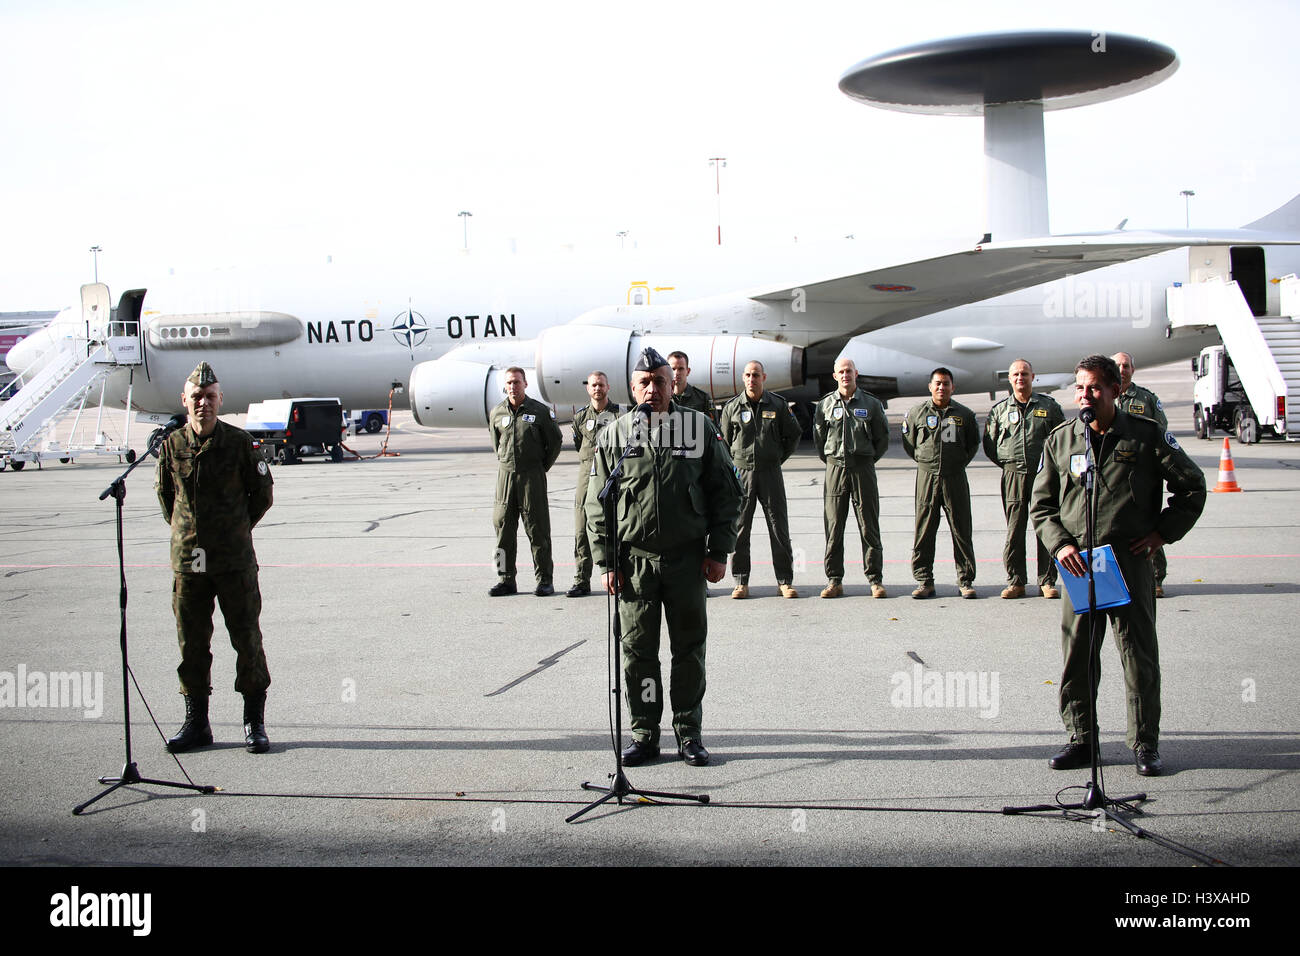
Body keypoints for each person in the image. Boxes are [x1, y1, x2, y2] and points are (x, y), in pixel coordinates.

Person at [1031, 354, 1205, 776]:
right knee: (1078, 656)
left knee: (1138, 654)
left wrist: (1162, 533)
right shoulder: (1061, 440)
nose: (1084, 396)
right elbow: (1041, 507)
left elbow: (1192, 487)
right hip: (1080, 567)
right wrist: (1060, 546)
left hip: (1128, 563)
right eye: (1079, 388)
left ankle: (1145, 743)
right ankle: (1081, 740)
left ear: (1115, 390)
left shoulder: (1146, 436)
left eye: (1093, 388)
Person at [586, 347, 743, 766]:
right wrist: (606, 562)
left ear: (673, 384)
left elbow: (726, 492)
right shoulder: (615, 436)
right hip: (634, 563)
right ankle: (645, 733)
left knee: (688, 650)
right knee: (638, 652)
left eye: (659, 381)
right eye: (644, 383)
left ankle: (689, 732)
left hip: (686, 561)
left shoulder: (698, 428)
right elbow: (595, 505)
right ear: (633, 388)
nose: (652, 389)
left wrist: (719, 551)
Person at [155, 361, 274, 754]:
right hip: (190, 562)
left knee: (246, 639)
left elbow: (262, 495)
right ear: (184, 401)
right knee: (192, 642)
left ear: (220, 400)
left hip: (233, 560)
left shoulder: (240, 444)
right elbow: (167, 499)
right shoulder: (171, 446)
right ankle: (197, 724)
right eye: (196, 397)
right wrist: (191, 534)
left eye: (210, 397)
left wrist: (235, 530)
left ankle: (253, 722)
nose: (203, 403)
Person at [719, 360, 803, 599]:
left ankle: (784, 581)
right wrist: (734, 465)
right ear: (743, 378)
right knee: (740, 528)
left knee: (778, 527)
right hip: (742, 474)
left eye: (756, 374)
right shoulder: (732, 407)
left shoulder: (777, 404)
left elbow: (793, 435)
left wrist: (777, 458)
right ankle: (741, 582)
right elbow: (723, 442)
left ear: (763, 377)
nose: (751, 379)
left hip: (770, 473)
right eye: (747, 375)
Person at [983, 358, 1065, 599]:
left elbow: (1061, 440)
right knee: (1015, 529)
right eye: (1016, 374)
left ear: (1033, 377)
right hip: (1013, 475)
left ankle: (1047, 581)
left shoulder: (1049, 407)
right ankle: (1016, 581)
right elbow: (990, 445)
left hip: (1043, 476)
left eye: (1025, 374)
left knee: (1047, 527)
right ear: (1010, 379)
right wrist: (1009, 464)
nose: (1020, 378)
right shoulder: (999, 410)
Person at [813, 357, 890, 598]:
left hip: (863, 468)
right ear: (835, 376)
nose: (845, 375)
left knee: (869, 525)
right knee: (834, 526)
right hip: (835, 468)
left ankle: (875, 580)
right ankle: (834, 580)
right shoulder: (825, 405)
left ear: (856, 373)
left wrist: (865, 459)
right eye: (841, 372)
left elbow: (882, 439)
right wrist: (834, 460)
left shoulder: (872, 404)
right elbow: (819, 439)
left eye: (849, 371)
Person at [901, 368, 980, 598]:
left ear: (952, 387)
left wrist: (957, 462)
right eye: (937, 383)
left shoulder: (964, 415)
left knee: (961, 529)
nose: (941, 388)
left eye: (946, 384)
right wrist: (926, 461)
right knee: (924, 530)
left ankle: (965, 580)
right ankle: (924, 580)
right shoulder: (917, 413)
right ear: (930, 386)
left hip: (955, 476)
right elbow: (910, 443)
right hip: (927, 476)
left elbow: (972, 444)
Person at [488, 366, 563, 596]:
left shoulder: (539, 411)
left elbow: (555, 442)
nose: (513, 386)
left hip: (532, 477)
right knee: (502, 529)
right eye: (509, 383)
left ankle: (545, 580)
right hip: (506, 477)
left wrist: (540, 468)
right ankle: (505, 579)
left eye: (517, 382)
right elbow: (496, 443)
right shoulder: (497, 413)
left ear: (525, 384)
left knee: (538, 529)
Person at [1112, 351, 1171, 597]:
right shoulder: (1103, 395)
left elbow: (1161, 431)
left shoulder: (1146, 399)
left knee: (1147, 524)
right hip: (1114, 471)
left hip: (1141, 471)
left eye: (1126, 365)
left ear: (1133, 370)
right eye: (1118, 365)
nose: (1122, 369)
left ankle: (1156, 577)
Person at [568, 371, 621, 597]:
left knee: (616, 527)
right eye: (593, 385)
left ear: (608, 387)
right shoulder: (580, 417)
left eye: (601, 385)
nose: (597, 389)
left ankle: (619, 575)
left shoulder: (619, 415)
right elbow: (578, 443)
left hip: (612, 476)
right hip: (586, 477)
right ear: (588, 389)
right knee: (582, 529)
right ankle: (581, 580)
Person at [667, 350, 717, 424]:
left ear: (688, 371)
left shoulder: (703, 398)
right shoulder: (662, 398)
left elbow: (714, 427)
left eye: (681, 369)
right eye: (673, 369)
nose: (676, 373)